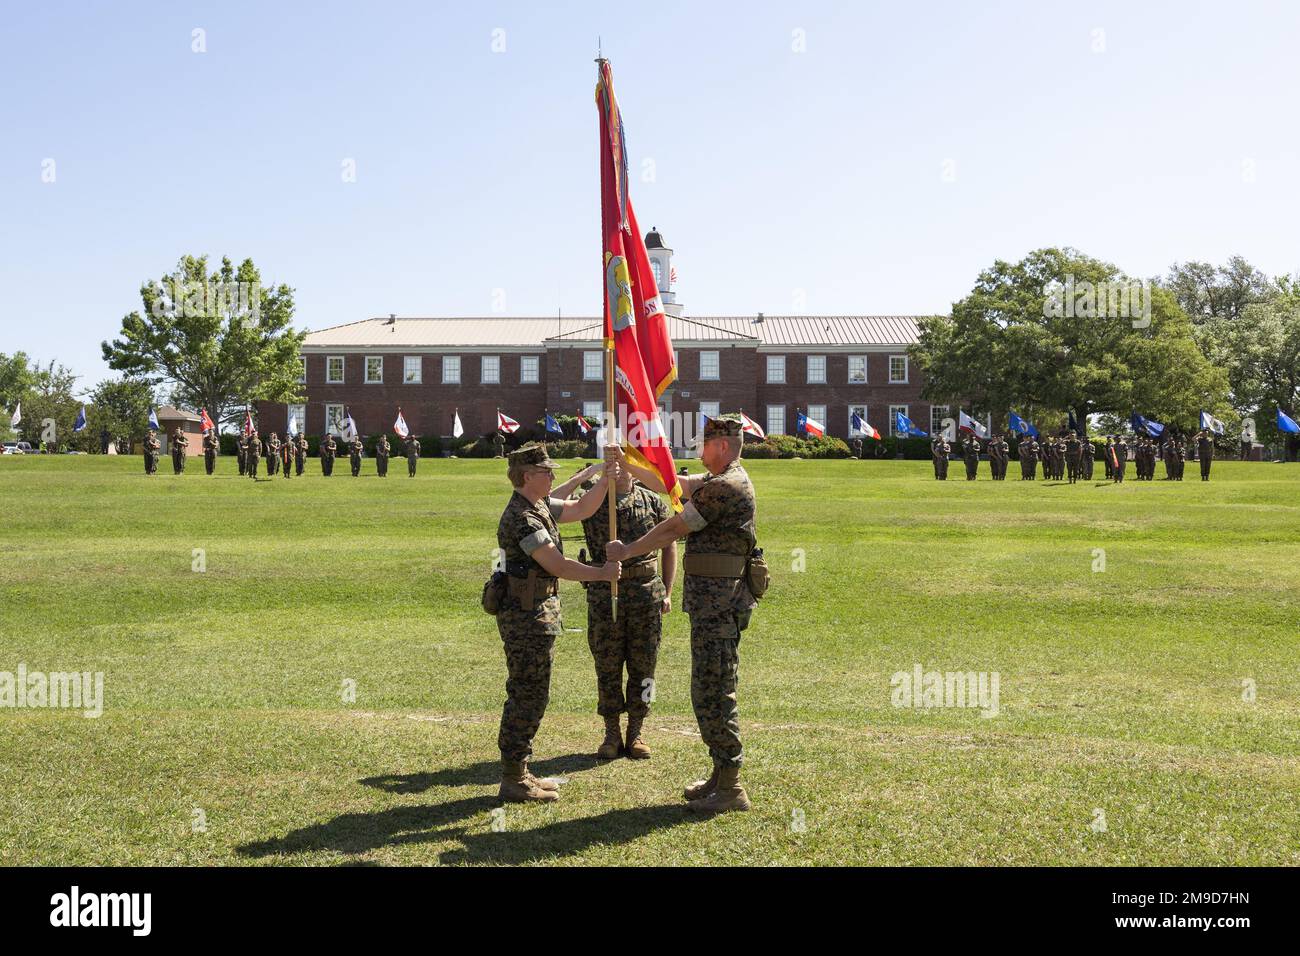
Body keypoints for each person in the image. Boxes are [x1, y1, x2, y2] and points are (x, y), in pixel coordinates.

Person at [608, 415, 760, 814]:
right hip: (713, 607)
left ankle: (731, 787)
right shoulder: (721, 481)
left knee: (714, 692)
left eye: (705, 444)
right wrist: (629, 464)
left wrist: (629, 550)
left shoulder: (727, 486)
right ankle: (720, 776)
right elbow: (673, 484)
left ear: (722, 446)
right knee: (707, 690)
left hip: (720, 608)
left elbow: (673, 528)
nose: (699, 450)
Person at [491, 443, 619, 803]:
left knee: (533, 691)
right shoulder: (523, 517)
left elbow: (582, 508)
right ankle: (514, 778)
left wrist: (605, 479)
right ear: (528, 476)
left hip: (536, 612)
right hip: (525, 617)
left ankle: (521, 771)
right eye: (547, 472)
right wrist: (602, 573)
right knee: (527, 693)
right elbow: (558, 565)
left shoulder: (537, 506)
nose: (553, 477)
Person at [578, 461, 676, 761]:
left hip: (646, 594)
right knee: (606, 665)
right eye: (613, 464)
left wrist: (668, 591)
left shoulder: (652, 502)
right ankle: (611, 732)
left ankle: (636, 731)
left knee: (644, 666)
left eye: (624, 464)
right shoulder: (593, 501)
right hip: (606, 594)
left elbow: (669, 545)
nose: (618, 469)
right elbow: (559, 502)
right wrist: (598, 477)